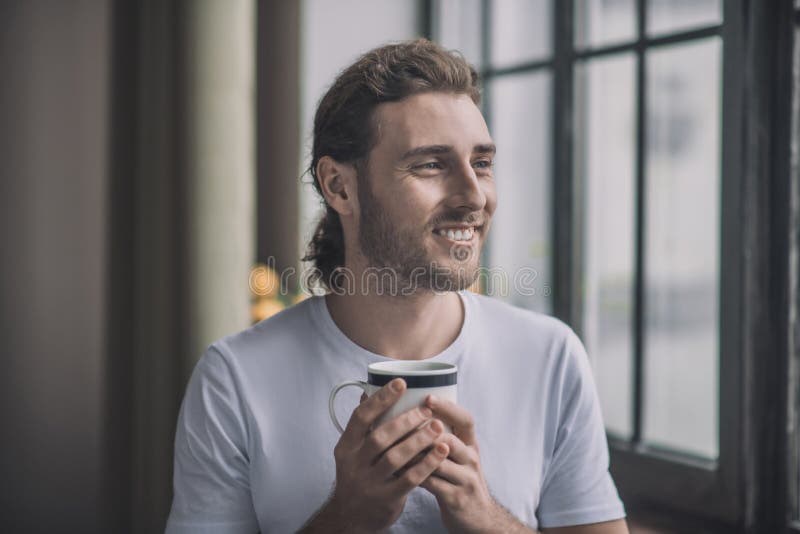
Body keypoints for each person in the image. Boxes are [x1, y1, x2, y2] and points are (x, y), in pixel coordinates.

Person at [165, 39, 628, 534]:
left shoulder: (550, 358)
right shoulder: (234, 380)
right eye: (431, 164)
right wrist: (347, 518)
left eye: (483, 163)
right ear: (339, 186)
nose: (474, 195)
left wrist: (482, 517)